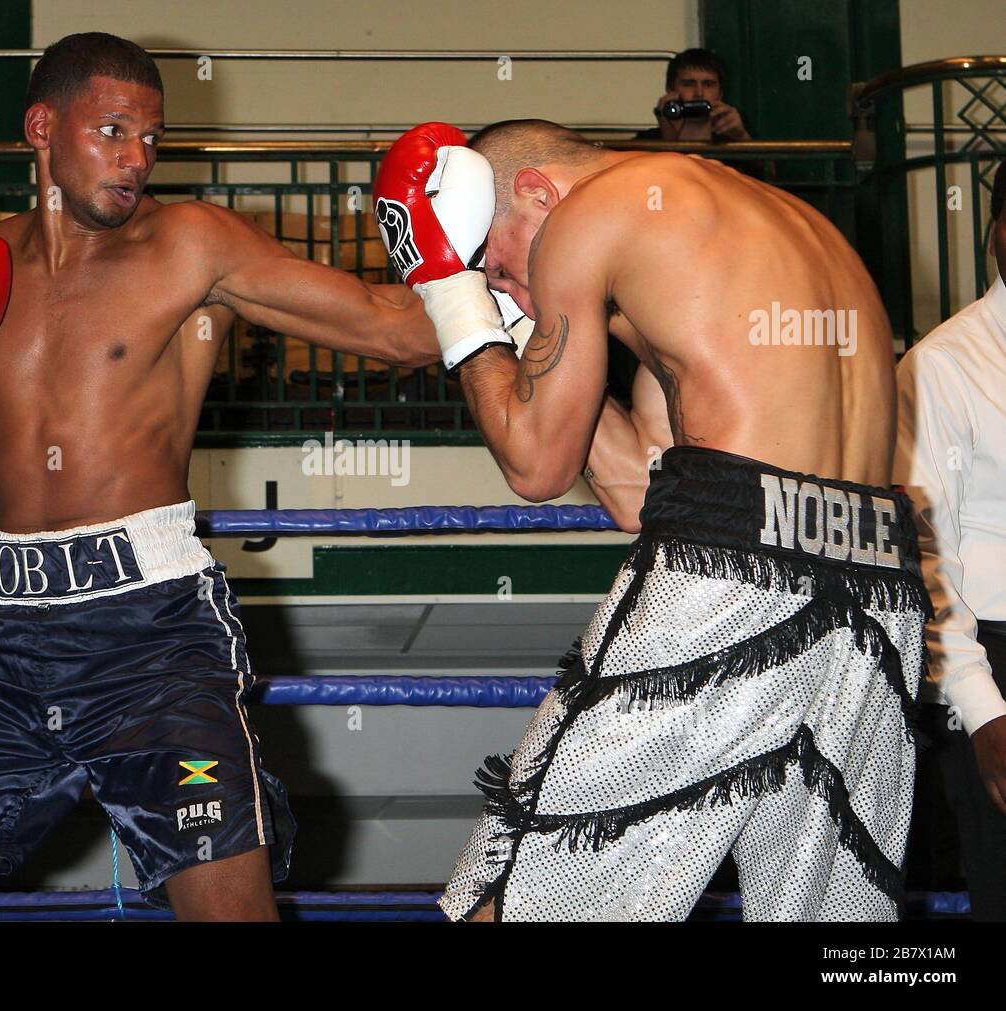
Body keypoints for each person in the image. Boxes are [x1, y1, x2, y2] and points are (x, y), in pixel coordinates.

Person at [0, 32, 437, 922]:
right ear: (42, 128)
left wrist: (472, 258)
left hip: (153, 638)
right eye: (111, 131)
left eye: (151, 139)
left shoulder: (189, 244)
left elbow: (396, 329)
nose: (137, 159)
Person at [374, 119, 928, 921]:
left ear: (536, 192)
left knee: (512, 897)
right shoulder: (777, 220)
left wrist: (450, 295)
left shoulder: (584, 213)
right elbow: (644, 494)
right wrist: (528, 329)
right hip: (877, 585)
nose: (509, 292)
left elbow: (536, 466)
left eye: (498, 266)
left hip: (729, 575)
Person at [893, 159, 1006, 921]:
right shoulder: (943, 364)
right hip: (996, 661)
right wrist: (985, 714)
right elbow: (926, 556)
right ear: (1000, 231)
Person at [634, 48, 751, 143]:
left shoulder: (731, 141)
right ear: (670, 90)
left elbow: (768, 171)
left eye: (708, 85)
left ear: (720, 93)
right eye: (688, 84)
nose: (699, 93)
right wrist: (668, 136)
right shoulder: (646, 141)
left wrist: (742, 137)